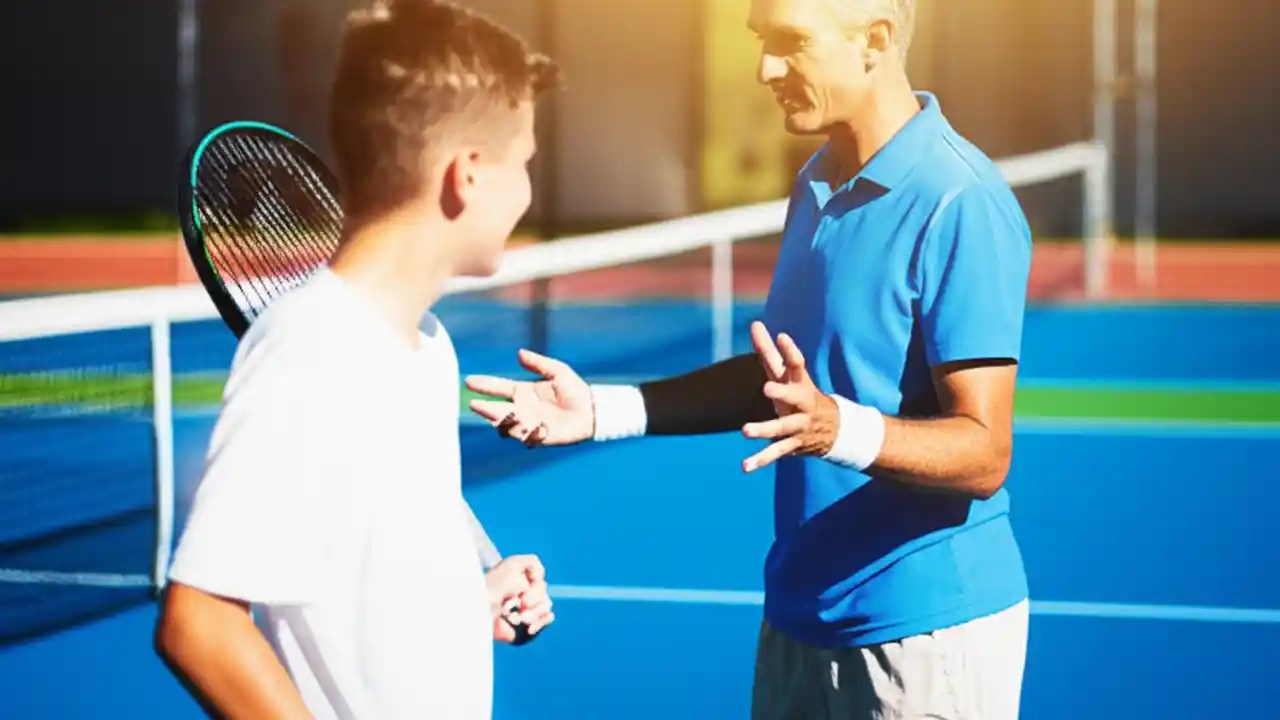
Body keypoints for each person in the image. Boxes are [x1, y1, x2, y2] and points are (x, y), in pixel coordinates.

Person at [466, 0, 1033, 717]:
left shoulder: (960, 199)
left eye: (791, 43)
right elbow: (784, 376)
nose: (766, 69)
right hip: (800, 617)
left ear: (876, 41)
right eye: (761, 43)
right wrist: (604, 411)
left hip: (924, 633)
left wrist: (837, 429)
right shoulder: (818, 181)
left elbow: (984, 453)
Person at [155, 1, 560, 718]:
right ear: (467, 174)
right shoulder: (313, 351)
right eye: (523, 162)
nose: (528, 187)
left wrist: (470, 600)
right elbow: (201, 622)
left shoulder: (427, 344)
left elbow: (376, 572)